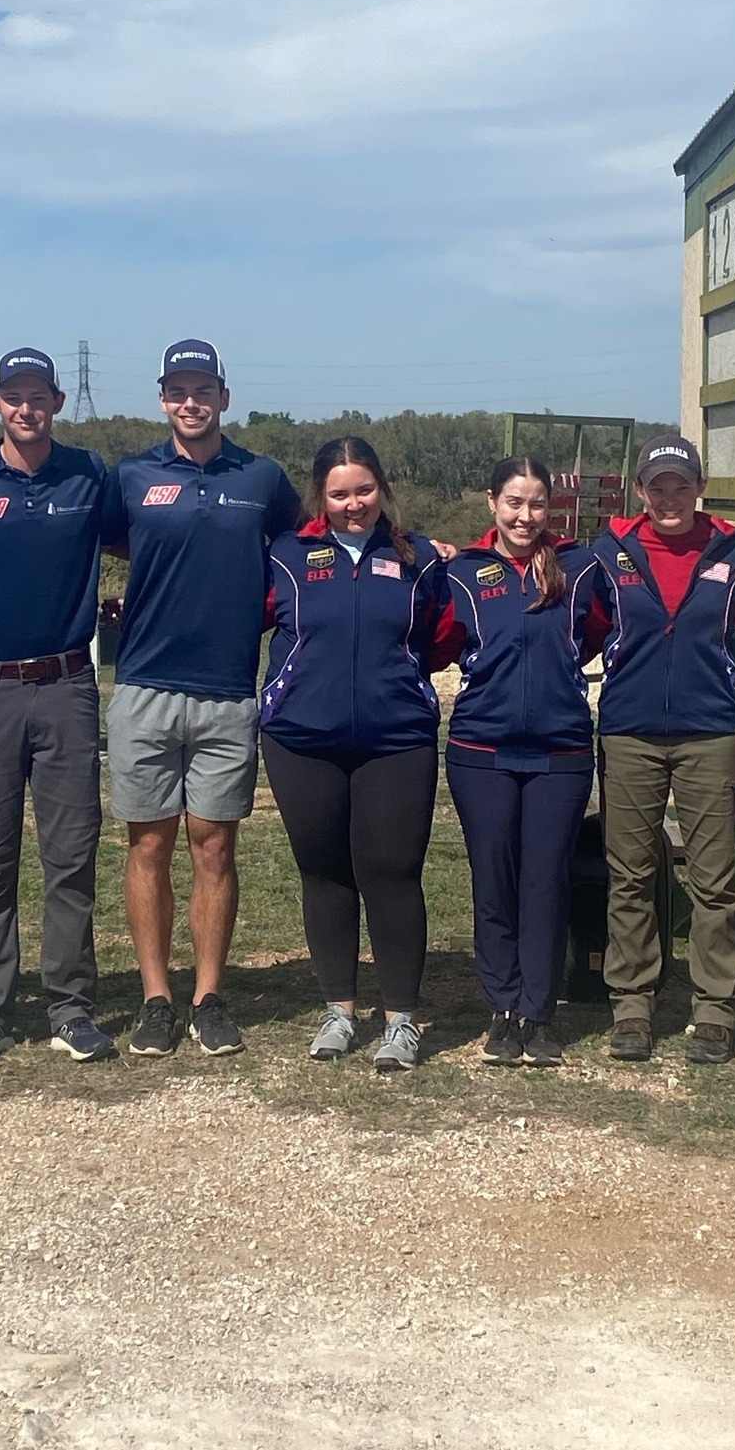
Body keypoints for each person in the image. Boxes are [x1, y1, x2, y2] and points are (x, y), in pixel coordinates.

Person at [100, 339, 303, 1059]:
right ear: (163, 398)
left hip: (227, 690)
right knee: (149, 844)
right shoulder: (132, 475)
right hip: (145, 684)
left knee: (214, 846)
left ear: (224, 397)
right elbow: (117, 542)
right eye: (178, 390)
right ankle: (156, 997)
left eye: (204, 390)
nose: (191, 402)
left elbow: (301, 547)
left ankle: (209, 996)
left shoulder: (262, 477)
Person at [260, 438, 458, 1071]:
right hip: (301, 737)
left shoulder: (420, 557)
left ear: (382, 489)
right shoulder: (285, 555)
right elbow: (248, 618)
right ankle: (339, 1012)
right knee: (324, 872)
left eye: (364, 490)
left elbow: (444, 636)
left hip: (395, 739)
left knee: (392, 872)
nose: (354, 504)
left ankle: (401, 1020)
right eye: (340, 494)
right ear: (320, 496)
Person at [0, 347, 115, 1066]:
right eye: (13, 397)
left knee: (70, 854)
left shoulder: (89, 473)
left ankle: (70, 1004)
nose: (26, 408)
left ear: (57, 403)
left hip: (68, 683)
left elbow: (145, 541)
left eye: (38, 396)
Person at [590, 434, 735, 1064]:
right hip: (629, 731)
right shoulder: (608, 553)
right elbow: (582, 620)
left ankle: (713, 1010)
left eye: (681, 486)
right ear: (640, 491)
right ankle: (632, 1005)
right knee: (630, 875)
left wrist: (725, 671)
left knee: (714, 880)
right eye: (657, 487)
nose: (669, 498)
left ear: (700, 488)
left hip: (709, 731)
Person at [444, 457, 604, 1068]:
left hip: (560, 750)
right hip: (480, 751)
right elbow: (436, 637)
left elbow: (597, 632)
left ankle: (538, 1013)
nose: (525, 516)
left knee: (545, 880)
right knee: (495, 879)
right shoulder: (461, 570)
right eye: (514, 502)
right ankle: (501, 1008)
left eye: (537, 504)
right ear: (492, 502)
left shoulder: (579, 567)